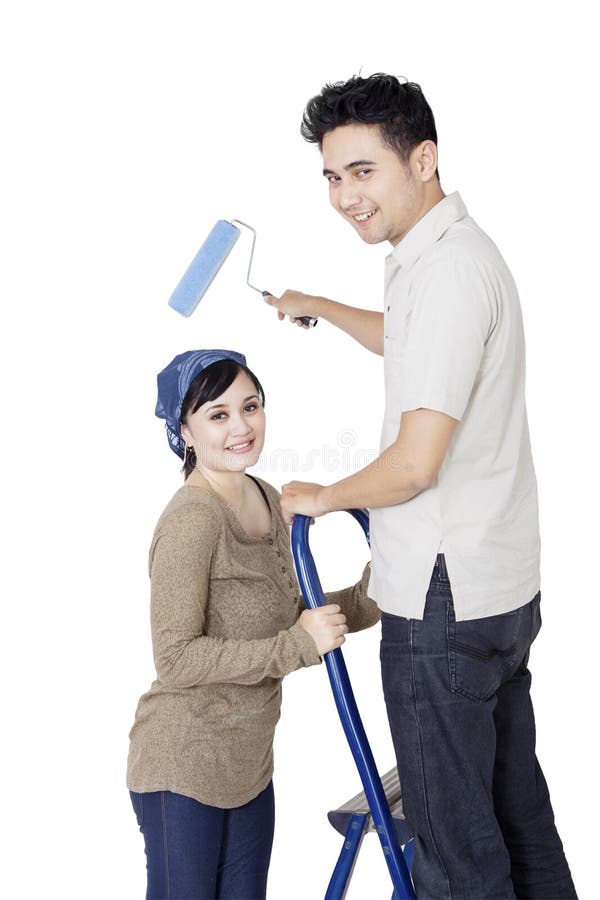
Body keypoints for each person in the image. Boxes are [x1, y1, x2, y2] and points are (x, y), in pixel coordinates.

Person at [265, 74, 577, 899]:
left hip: (443, 605)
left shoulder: (443, 275)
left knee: (454, 849)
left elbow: (414, 466)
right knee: (516, 819)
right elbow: (410, 340)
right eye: (332, 176)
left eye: (363, 171)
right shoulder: (444, 253)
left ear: (424, 159)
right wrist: (320, 304)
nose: (345, 196)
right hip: (496, 590)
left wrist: (323, 497)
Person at [126, 348, 379, 900]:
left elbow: (294, 614)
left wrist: (374, 592)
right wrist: (298, 645)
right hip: (183, 765)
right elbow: (175, 657)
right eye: (217, 415)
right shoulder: (193, 520)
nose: (241, 427)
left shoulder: (265, 496)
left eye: (250, 406)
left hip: (249, 768)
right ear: (185, 432)